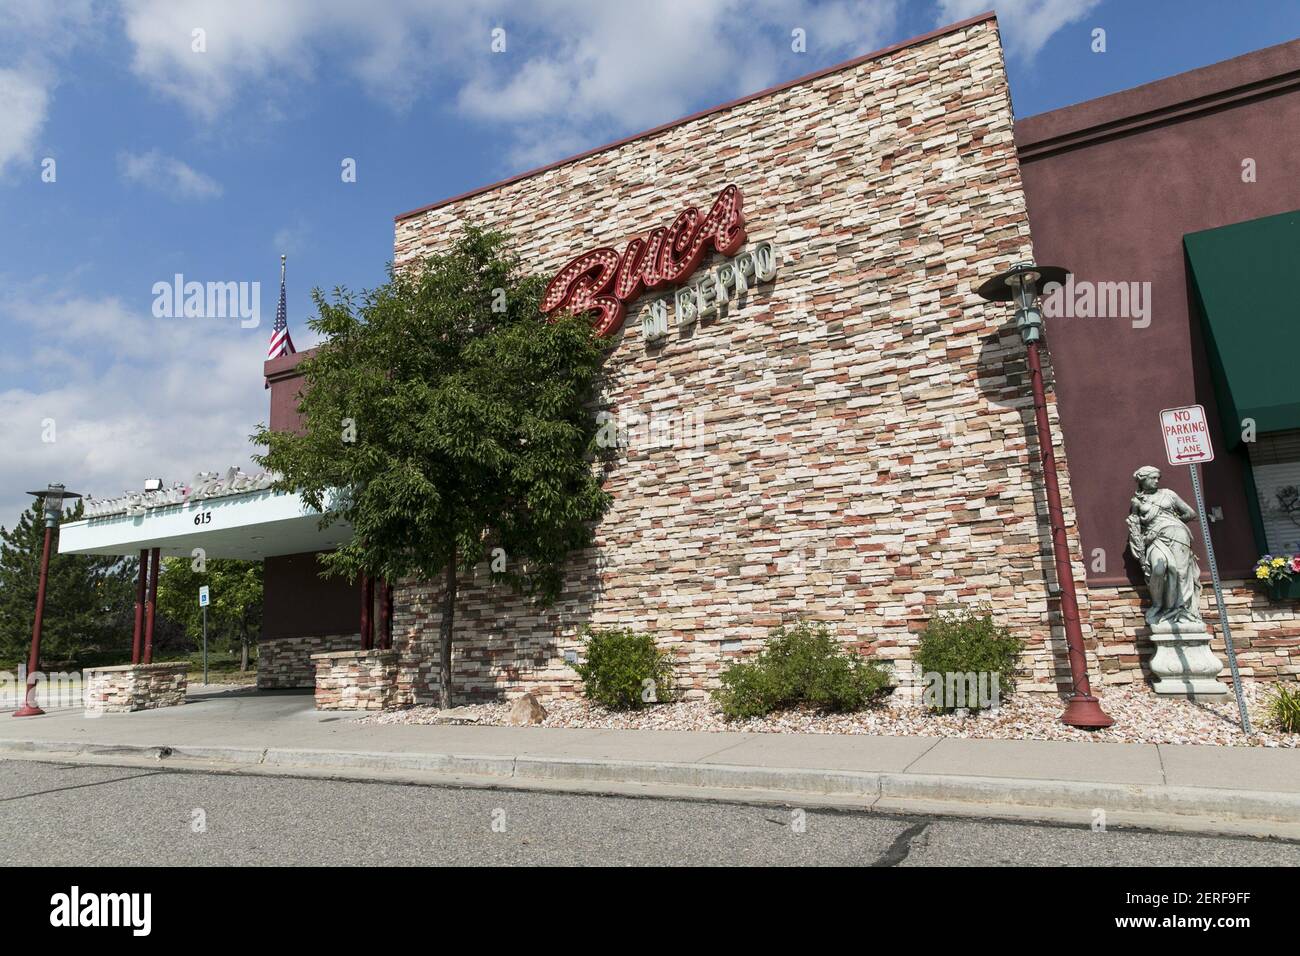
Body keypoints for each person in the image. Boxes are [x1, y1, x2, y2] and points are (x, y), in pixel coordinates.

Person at [1126, 465, 1202, 626]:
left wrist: (1173, 522)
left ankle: (1181, 610)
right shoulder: (1137, 501)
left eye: (1157, 478)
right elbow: (1135, 526)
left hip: (1178, 535)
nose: (1156, 481)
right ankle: (1158, 605)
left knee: (1181, 572)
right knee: (1158, 569)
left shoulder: (1169, 494)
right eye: (1152, 478)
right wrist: (1142, 543)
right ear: (1142, 480)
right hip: (1155, 538)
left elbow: (1190, 513)